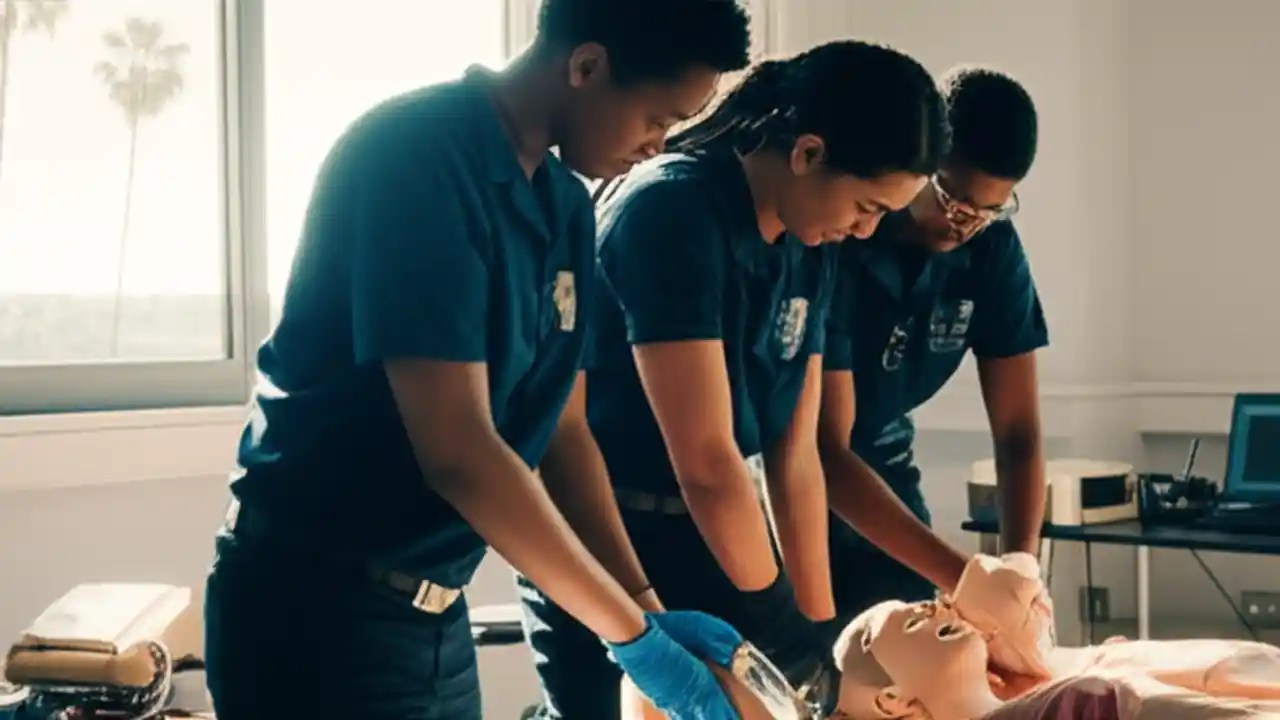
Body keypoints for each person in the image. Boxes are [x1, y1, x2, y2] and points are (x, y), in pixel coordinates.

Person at [201, 1, 755, 718]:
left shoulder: (564, 204)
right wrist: (629, 639)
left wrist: (645, 608)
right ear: (586, 66)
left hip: (435, 611)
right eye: (656, 118)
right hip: (315, 606)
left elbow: (565, 433)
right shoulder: (415, 156)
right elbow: (459, 451)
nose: (659, 145)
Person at [518, 40, 950, 720]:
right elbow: (709, 463)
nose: (867, 231)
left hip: (714, 543)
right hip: (606, 541)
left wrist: (816, 637)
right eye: (866, 205)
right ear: (807, 154)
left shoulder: (813, 242)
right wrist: (775, 618)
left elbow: (796, 454)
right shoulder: (672, 212)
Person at [819, 65, 1049, 626]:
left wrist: (1018, 573)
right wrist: (969, 580)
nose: (965, 224)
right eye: (953, 198)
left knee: (927, 646)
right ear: (920, 163)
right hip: (796, 471)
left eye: (992, 208)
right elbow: (824, 449)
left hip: (889, 470)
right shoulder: (838, 236)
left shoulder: (991, 249)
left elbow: (1018, 435)